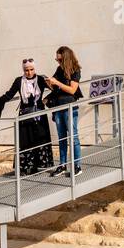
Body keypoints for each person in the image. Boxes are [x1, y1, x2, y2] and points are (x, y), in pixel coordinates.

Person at [0, 59, 55, 176]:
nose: (29, 72)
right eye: (26, 70)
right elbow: (9, 95)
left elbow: (56, 90)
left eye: (31, 70)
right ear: (23, 70)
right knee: (26, 140)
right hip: (25, 115)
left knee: (40, 139)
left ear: (34, 69)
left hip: (39, 115)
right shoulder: (19, 81)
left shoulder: (41, 79)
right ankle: (27, 167)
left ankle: (39, 165)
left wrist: (48, 98)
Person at [45, 46, 84, 176]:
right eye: (56, 59)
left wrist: (57, 82)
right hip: (58, 107)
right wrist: (50, 83)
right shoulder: (59, 69)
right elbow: (55, 87)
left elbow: (72, 90)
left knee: (73, 137)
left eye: (60, 59)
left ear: (66, 58)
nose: (58, 62)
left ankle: (77, 165)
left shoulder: (75, 70)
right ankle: (62, 165)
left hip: (69, 107)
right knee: (61, 138)